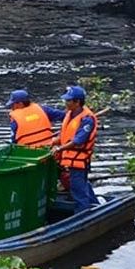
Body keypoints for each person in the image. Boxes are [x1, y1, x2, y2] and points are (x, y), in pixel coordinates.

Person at [49, 85, 99, 214]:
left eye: (68, 101)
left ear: (77, 102)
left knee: (78, 190)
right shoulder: (70, 114)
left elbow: (78, 141)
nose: (66, 103)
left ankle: (83, 215)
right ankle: (95, 205)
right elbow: (66, 135)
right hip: (70, 159)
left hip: (79, 160)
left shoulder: (87, 119)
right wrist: (52, 142)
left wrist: (59, 148)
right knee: (82, 185)